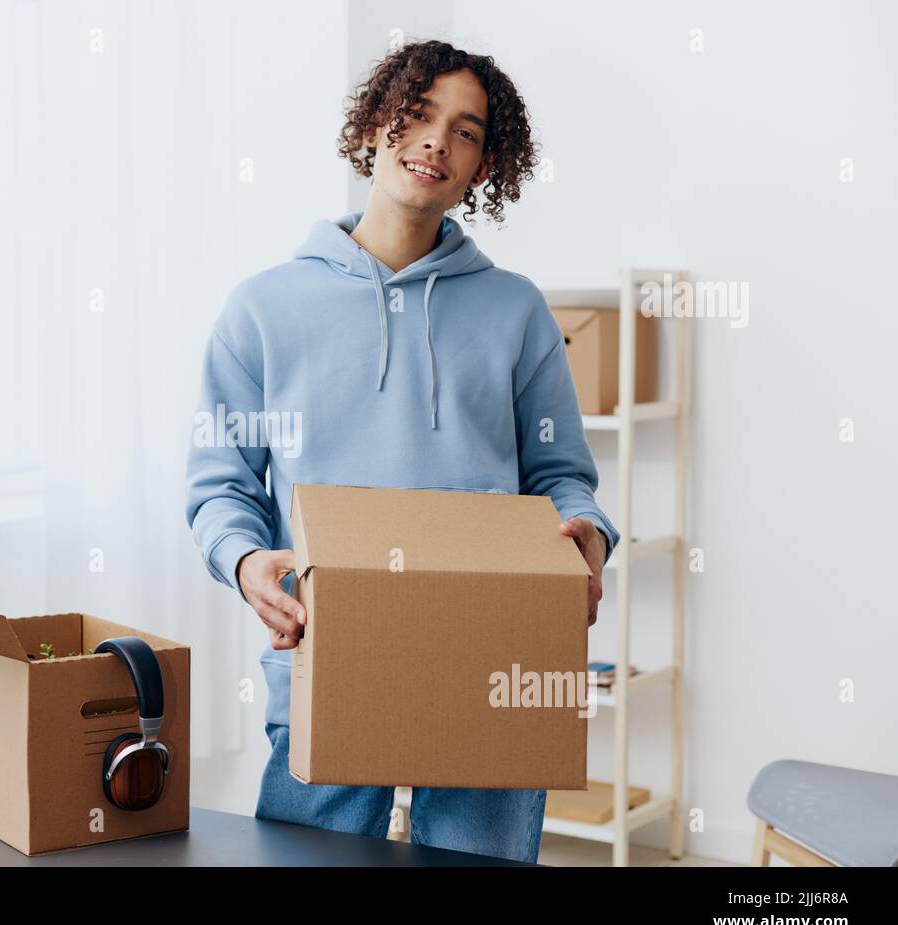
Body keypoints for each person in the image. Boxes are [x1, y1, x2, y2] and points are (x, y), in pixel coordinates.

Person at [183, 39, 619, 864]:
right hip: (327, 653)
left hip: (496, 662)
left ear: (483, 164)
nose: (434, 143)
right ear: (374, 125)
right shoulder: (262, 310)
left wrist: (588, 537)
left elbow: (563, 478)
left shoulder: (518, 312)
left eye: (464, 131)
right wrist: (245, 563)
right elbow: (219, 487)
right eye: (417, 116)